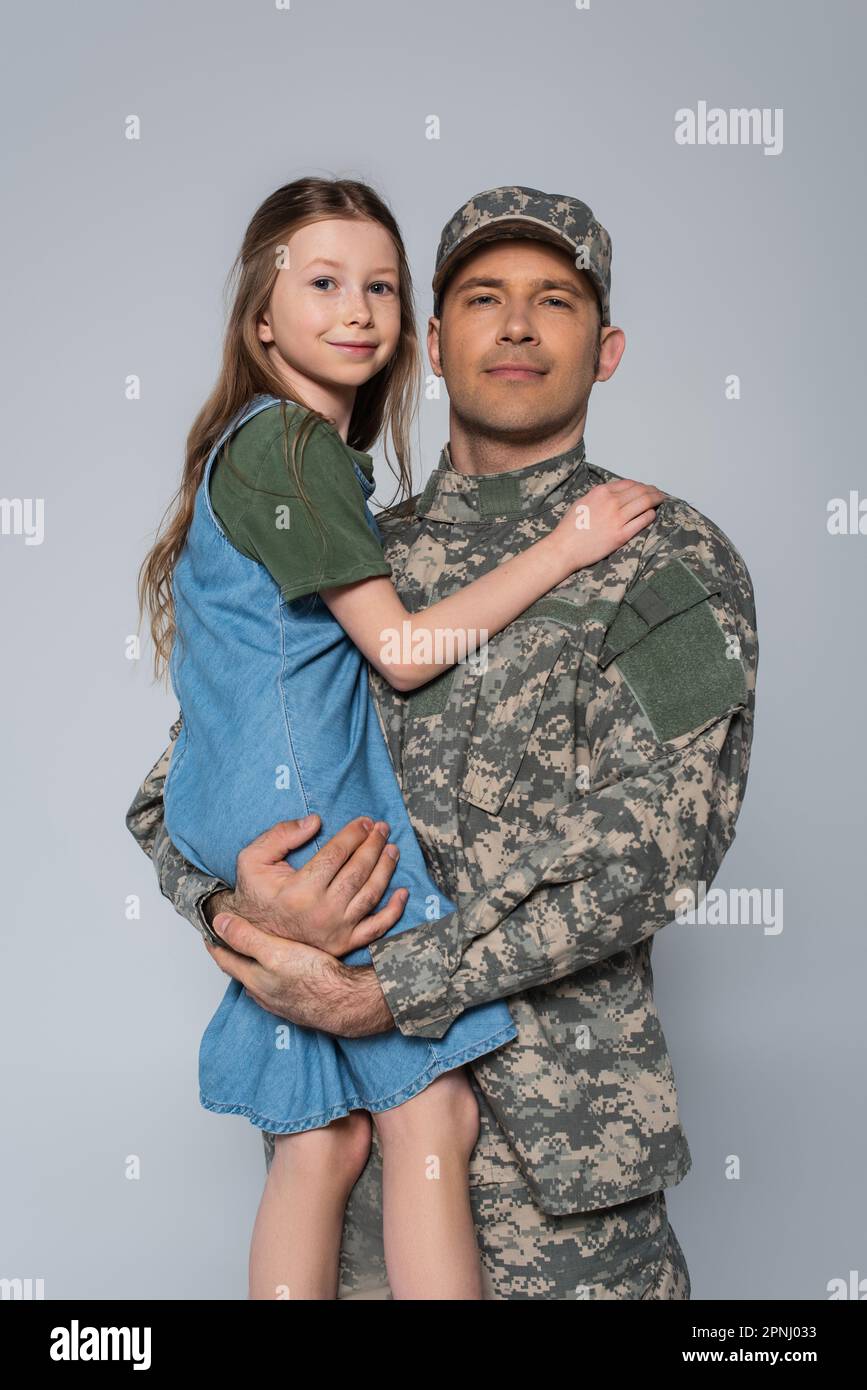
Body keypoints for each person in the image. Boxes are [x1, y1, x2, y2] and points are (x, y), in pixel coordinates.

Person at [127, 184, 758, 1300]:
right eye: (481, 297)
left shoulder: (667, 563)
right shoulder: (352, 550)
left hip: (565, 1202)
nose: (515, 325)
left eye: (553, 300)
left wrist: (391, 989)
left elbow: (654, 850)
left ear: (606, 349)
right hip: (356, 1188)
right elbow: (177, 790)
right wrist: (244, 909)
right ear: (429, 341)